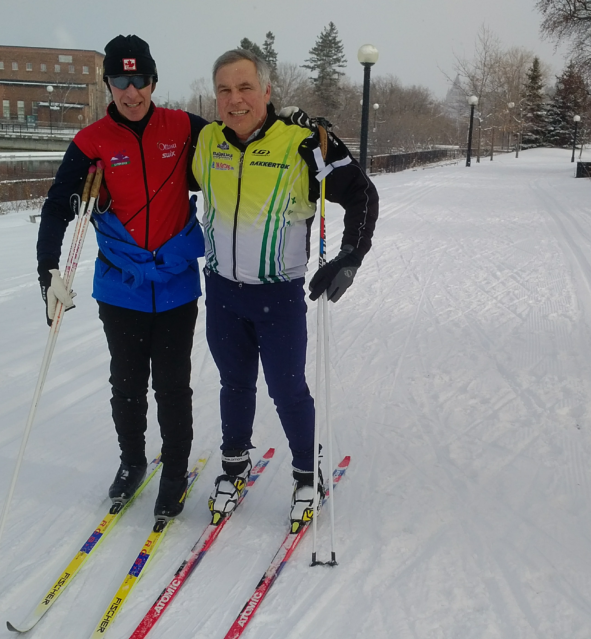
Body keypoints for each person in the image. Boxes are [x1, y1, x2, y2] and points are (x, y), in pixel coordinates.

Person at [191, 48, 378, 529]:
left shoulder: (303, 143)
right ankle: (235, 466)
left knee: (287, 388)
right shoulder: (206, 141)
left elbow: (362, 193)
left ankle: (306, 473)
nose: (235, 99)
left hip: (277, 295)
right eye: (224, 90)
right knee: (234, 383)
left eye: (245, 87)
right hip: (223, 293)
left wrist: (350, 256)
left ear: (267, 91)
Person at [36, 35, 208, 520]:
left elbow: (240, 141)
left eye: (140, 80)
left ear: (153, 81)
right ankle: (132, 462)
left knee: (172, 385)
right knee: (127, 384)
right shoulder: (91, 141)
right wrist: (47, 270)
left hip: (174, 281)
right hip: (120, 285)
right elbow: (57, 206)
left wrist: (281, 122)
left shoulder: (184, 127)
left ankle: (174, 471)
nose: (131, 92)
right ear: (107, 84)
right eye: (120, 81)